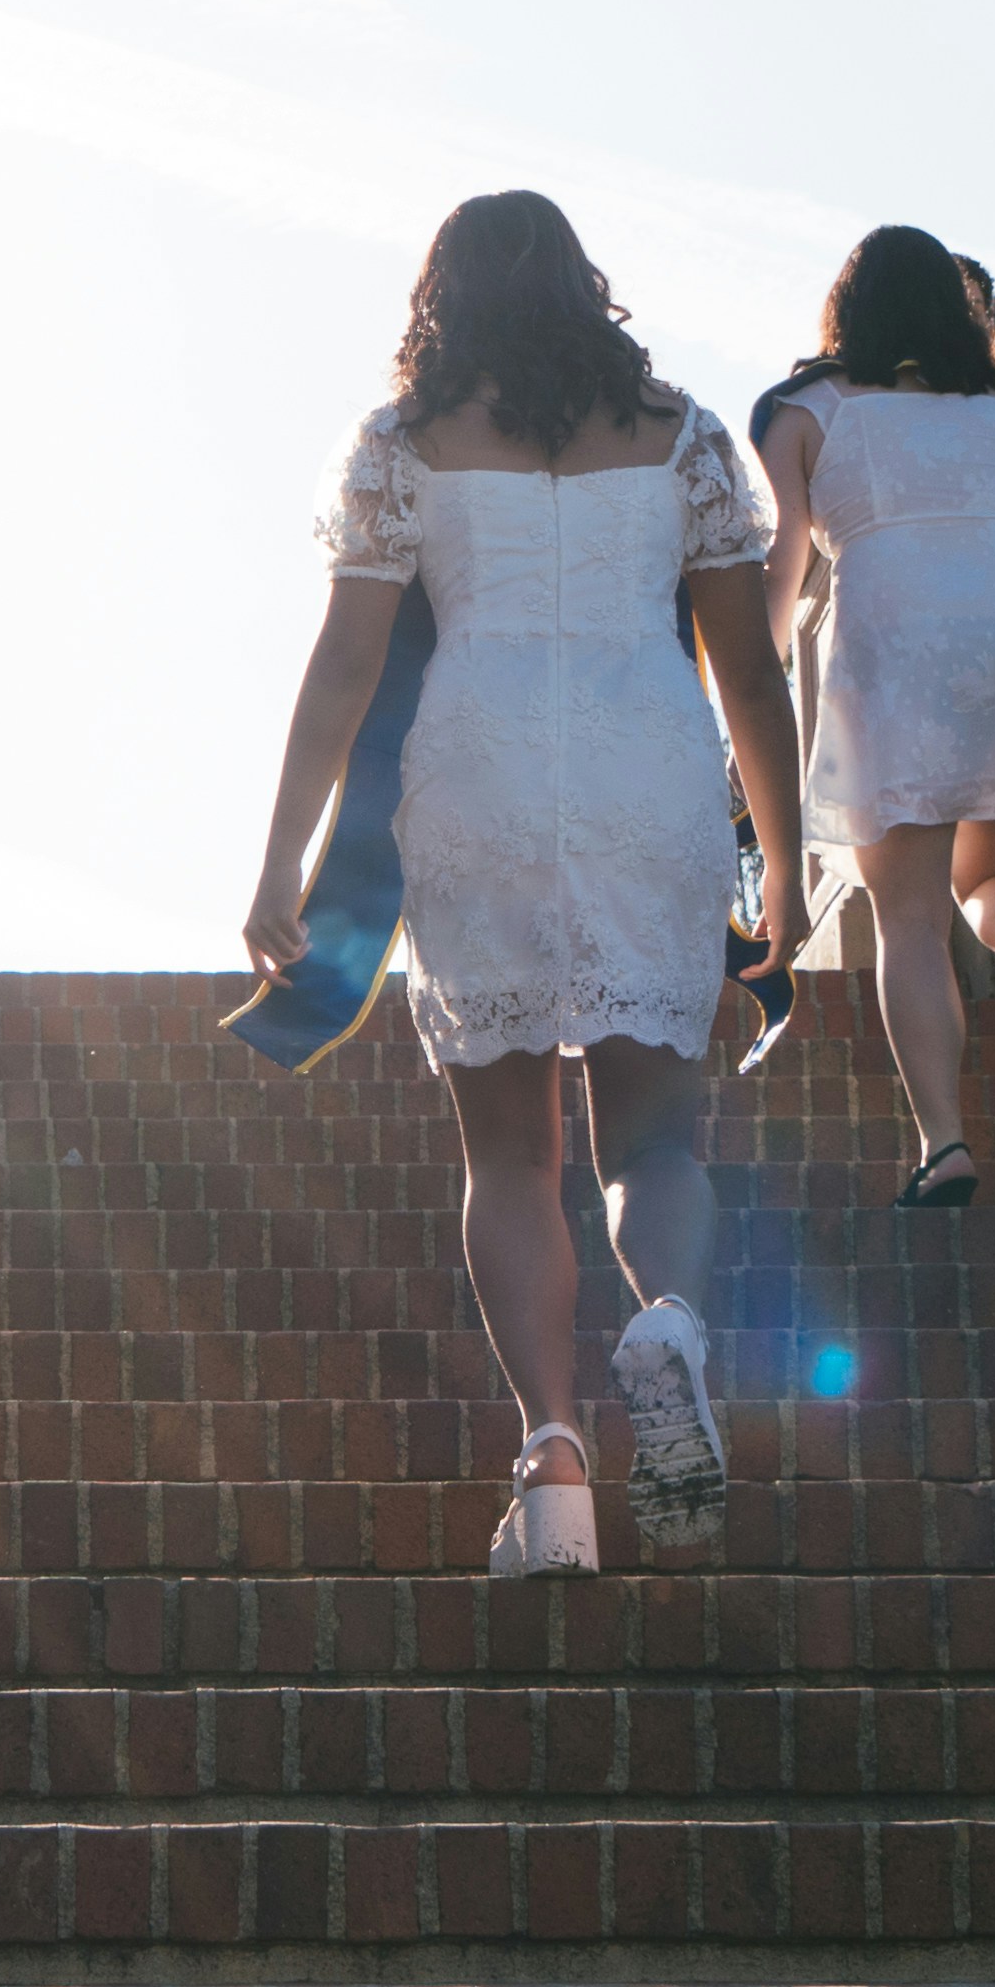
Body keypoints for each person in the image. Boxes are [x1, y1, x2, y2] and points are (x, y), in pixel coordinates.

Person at [239, 190, 811, 1582]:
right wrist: (786, 866)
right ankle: (666, 1318)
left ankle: (551, 1457)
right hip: (645, 769)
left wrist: (278, 863)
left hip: (478, 770)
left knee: (510, 1155)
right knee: (651, 1144)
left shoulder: (398, 447)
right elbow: (747, 670)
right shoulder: (682, 442)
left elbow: (345, 672)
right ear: (583, 286)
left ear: (444, 299)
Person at [751, 222, 995, 1209]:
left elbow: (783, 566)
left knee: (905, 919)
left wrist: (751, 687)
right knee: (990, 874)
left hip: (896, 652)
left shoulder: (804, 410)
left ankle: (942, 1144)